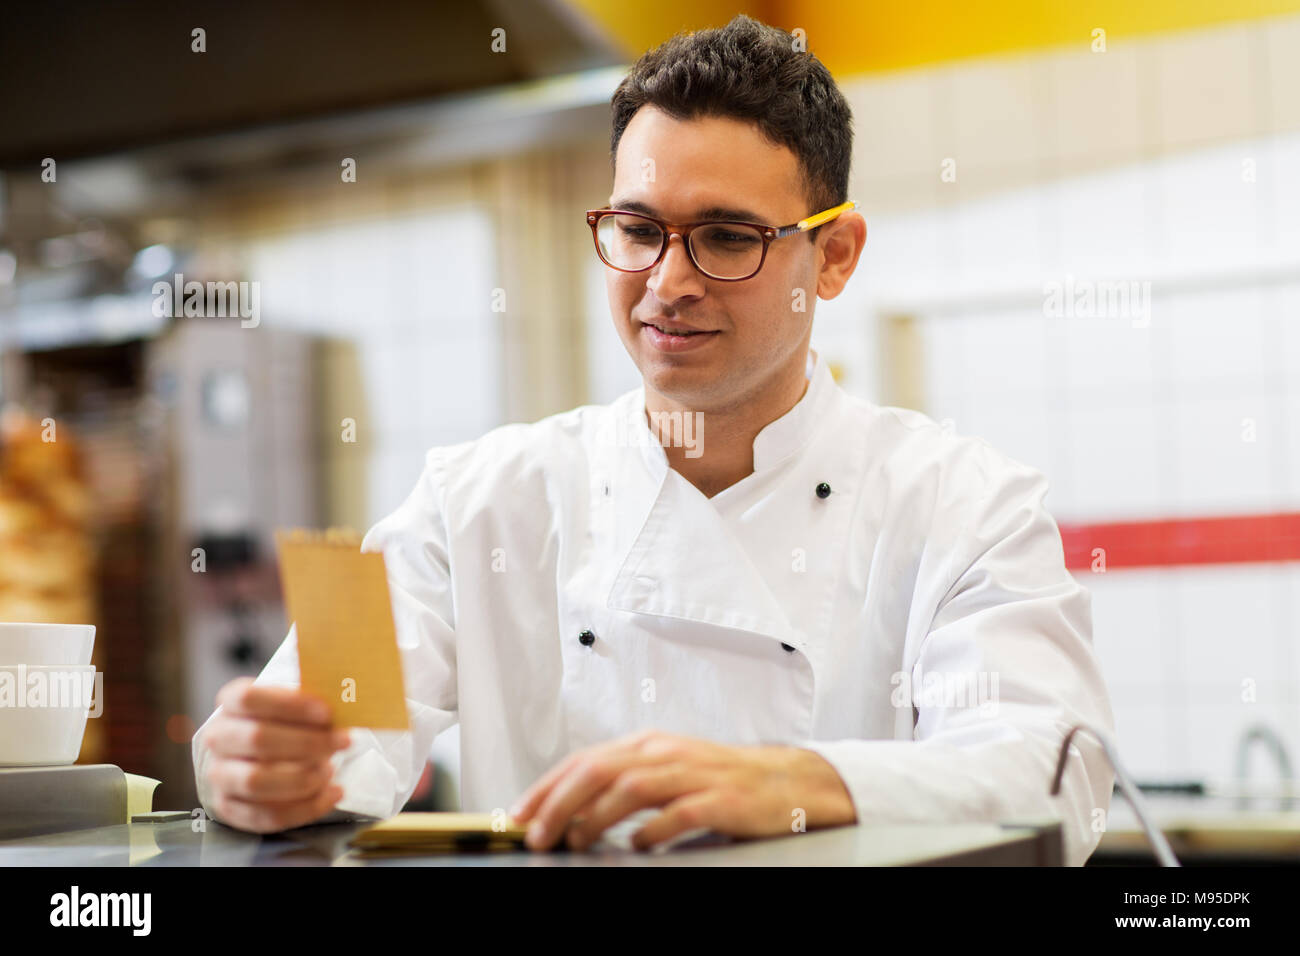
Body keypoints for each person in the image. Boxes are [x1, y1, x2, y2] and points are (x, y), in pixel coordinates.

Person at [192, 14, 1115, 865]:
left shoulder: (965, 504)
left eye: (724, 237)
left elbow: (1057, 775)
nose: (666, 283)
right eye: (637, 229)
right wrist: (255, 768)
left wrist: (805, 781)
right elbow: (322, 733)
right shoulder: (473, 498)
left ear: (832, 257)